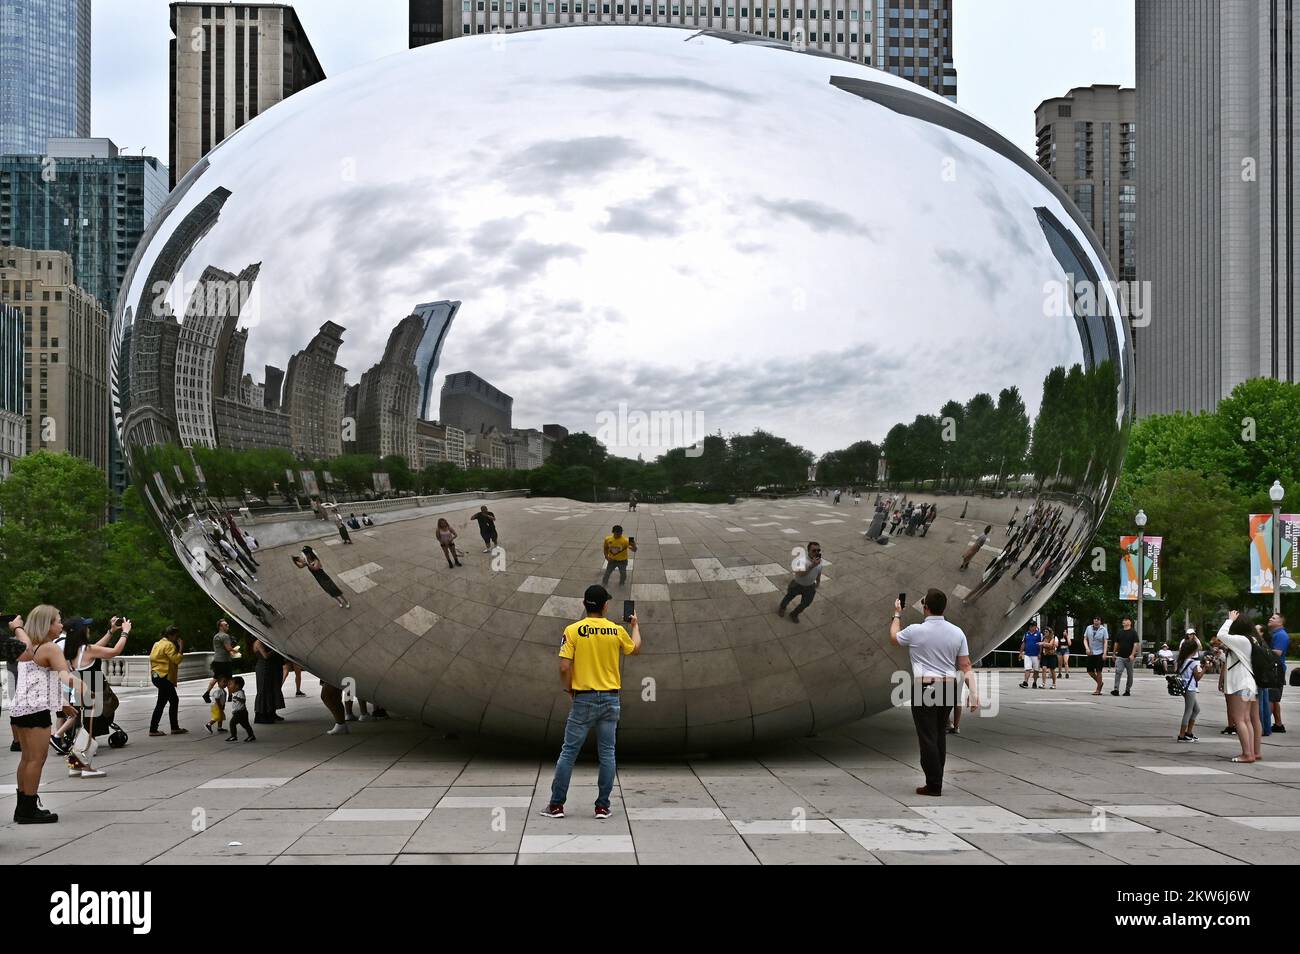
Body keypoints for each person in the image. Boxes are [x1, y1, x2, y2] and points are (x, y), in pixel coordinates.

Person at [539, 584, 642, 819]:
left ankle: (556, 805)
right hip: (610, 698)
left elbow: (564, 665)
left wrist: (569, 688)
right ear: (606, 606)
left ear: (584, 604)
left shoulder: (573, 630)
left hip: (583, 698)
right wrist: (634, 625)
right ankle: (602, 806)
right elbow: (635, 649)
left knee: (569, 752)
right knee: (607, 752)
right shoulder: (616, 630)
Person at [890, 589, 979, 797]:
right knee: (939, 734)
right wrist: (974, 693)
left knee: (927, 736)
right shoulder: (957, 632)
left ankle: (934, 783)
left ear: (925, 607)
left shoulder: (915, 630)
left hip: (925, 687)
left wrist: (897, 614)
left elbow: (894, 638)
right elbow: (966, 666)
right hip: (949, 687)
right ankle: (936, 779)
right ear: (943, 608)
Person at [10, 608, 89, 823]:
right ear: (47, 624)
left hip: (20, 709)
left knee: (26, 759)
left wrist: (61, 705)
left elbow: (40, 681)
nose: (62, 625)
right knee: (37, 759)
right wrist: (77, 683)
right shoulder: (50, 648)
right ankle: (28, 810)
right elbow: (62, 675)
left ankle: (23, 807)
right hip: (36, 711)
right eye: (58, 621)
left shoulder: (28, 648)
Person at [57, 615, 128, 778]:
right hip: (92, 692)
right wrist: (125, 633)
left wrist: (111, 632)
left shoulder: (72, 651)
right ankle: (86, 767)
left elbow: (97, 648)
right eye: (86, 627)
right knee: (89, 731)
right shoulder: (86, 650)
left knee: (83, 729)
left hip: (80, 692)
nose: (88, 629)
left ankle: (75, 766)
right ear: (81, 631)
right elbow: (114, 651)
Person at [1213, 610, 1262, 763]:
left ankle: (1247, 754)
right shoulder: (1252, 639)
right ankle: (1251, 752)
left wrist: (1229, 620)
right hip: (1248, 684)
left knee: (1239, 719)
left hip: (1240, 684)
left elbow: (1221, 635)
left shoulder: (1242, 640)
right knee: (1246, 719)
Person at [148, 626, 187, 737]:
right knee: (172, 701)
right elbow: (176, 659)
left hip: (156, 675)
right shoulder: (169, 645)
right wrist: (180, 647)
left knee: (163, 702)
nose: (176, 638)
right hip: (164, 676)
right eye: (175, 636)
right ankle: (168, 728)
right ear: (170, 635)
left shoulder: (157, 644)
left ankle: (156, 728)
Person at [776, 542, 824, 624]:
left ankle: (794, 614)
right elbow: (801, 574)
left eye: (818, 550)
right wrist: (812, 566)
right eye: (814, 550)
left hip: (810, 586)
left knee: (806, 603)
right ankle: (782, 607)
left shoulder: (819, 561)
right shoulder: (802, 561)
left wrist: (818, 581)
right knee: (788, 597)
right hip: (797, 584)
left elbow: (819, 571)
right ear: (808, 551)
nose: (816, 552)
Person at [1174, 630, 1203, 742]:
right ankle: (1182, 735)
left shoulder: (1182, 660)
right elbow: (1198, 677)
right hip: (1190, 688)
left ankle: (1189, 733)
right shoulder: (1193, 662)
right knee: (1189, 710)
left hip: (1184, 687)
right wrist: (1205, 668)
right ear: (1193, 650)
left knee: (1196, 709)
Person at [252, 638, 286, 725]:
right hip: (264, 669)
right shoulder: (259, 642)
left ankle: (271, 713)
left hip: (273, 668)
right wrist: (277, 649)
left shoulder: (268, 641)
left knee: (273, 690)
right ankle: (261, 716)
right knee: (264, 691)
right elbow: (265, 656)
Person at [203, 619, 237, 704]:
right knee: (229, 678)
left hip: (217, 660)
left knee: (216, 677)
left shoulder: (216, 636)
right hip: (225, 661)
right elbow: (228, 648)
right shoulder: (225, 636)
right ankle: (230, 696)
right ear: (220, 626)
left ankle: (207, 693)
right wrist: (235, 650)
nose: (227, 626)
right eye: (226, 625)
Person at [1267, 612, 1288, 732]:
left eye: (1273, 618)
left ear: (1280, 622)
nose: (1270, 618)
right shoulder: (1276, 634)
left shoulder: (1280, 635)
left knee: (1270, 697)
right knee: (1274, 698)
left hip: (1276, 670)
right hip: (1276, 669)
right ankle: (1278, 724)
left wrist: (1262, 650)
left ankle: (1264, 723)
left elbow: (1278, 652)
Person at [1111, 617, 1139, 696]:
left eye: (1126, 620)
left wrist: (1132, 654)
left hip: (1129, 657)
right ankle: (1116, 689)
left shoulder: (1133, 632)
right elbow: (1116, 643)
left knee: (1130, 674)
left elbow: (1135, 644)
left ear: (1130, 622)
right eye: (1123, 620)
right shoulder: (1119, 632)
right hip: (1120, 656)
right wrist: (1113, 654)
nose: (1123, 621)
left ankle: (1127, 690)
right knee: (1118, 672)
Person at [1083, 616, 1108, 695]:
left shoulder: (1103, 629)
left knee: (1098, 671)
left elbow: (1105, 641)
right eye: (1095, 620)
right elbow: (1085, 639)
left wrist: (1104, 653)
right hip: (1091, 652)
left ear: (1100, 621)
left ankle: (1098, 689)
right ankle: (1100, 682)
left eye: (1098, 620)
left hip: (1100, 652)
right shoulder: (1089, 628)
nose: (1096, 621)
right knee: (1089, 671)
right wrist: (1087, 648)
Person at [226, 676, 255, 742]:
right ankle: (251, 736)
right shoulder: (235, 692)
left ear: (237, 686)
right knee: (245, 725)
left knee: (232, 723)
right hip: (239, 712)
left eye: (231, 684)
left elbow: (243, 700)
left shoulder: (240, 693)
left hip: (240, 713)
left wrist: (238, 698)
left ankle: (234, 736)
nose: (229, 686)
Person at [1019, 621, 1043, 688]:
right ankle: (1025, 682)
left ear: (1035, 626)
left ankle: (1034, 682)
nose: (1031, 627)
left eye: (1032, 626)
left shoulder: (1039, 634)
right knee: (1027, 668)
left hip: (1036, 655)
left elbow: (1041, 645)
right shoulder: (1026, 634)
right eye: (1030, 626)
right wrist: (1021, 653)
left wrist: (1039, 653)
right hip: (1027, 654)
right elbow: (1023, 643)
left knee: (1036, 670)